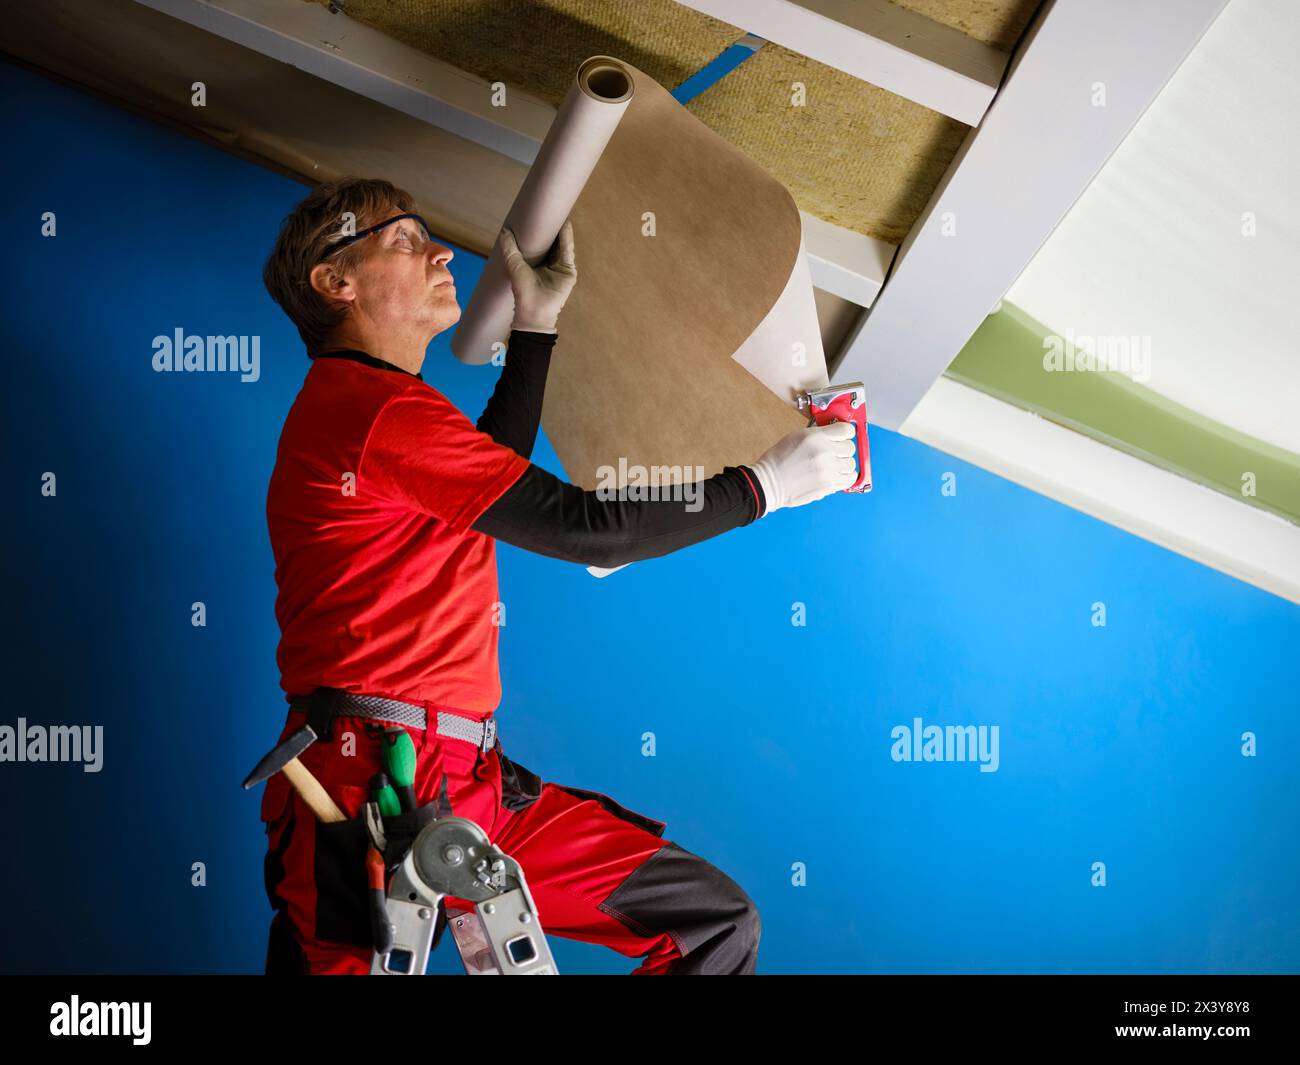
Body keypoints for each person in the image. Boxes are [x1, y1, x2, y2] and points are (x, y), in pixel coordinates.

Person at [256, 177, 857, 974]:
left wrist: (535, 328)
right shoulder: (369, 413)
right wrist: (765, 487)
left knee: (711, 924)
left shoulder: (389, 412)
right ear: (335, 282)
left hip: (470, 783)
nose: (440, 250)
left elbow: (493, 475)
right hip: (367, 786)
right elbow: (587, 530)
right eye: (403, 240)